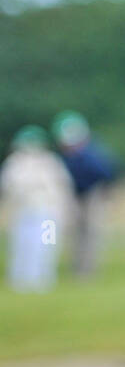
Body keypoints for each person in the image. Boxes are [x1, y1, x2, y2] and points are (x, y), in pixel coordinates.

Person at [1, 125, 73, 292]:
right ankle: (21, 280)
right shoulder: (15, 163)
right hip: (24, 212)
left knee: (46, 246)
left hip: (47, 212)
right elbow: (9, 187)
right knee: (23, 245)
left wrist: (64, 210)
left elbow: (61, 188)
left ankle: (43, 279)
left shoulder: (50, 162)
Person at [52, 110, 119, 277]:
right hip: (74, 195)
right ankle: (77, 267)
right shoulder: (66, 157)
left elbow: (108, 173)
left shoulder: (92, 155)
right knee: (75, 233)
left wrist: (106, 192)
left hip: (92, 194)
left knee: (91, 232)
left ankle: (88, 270)